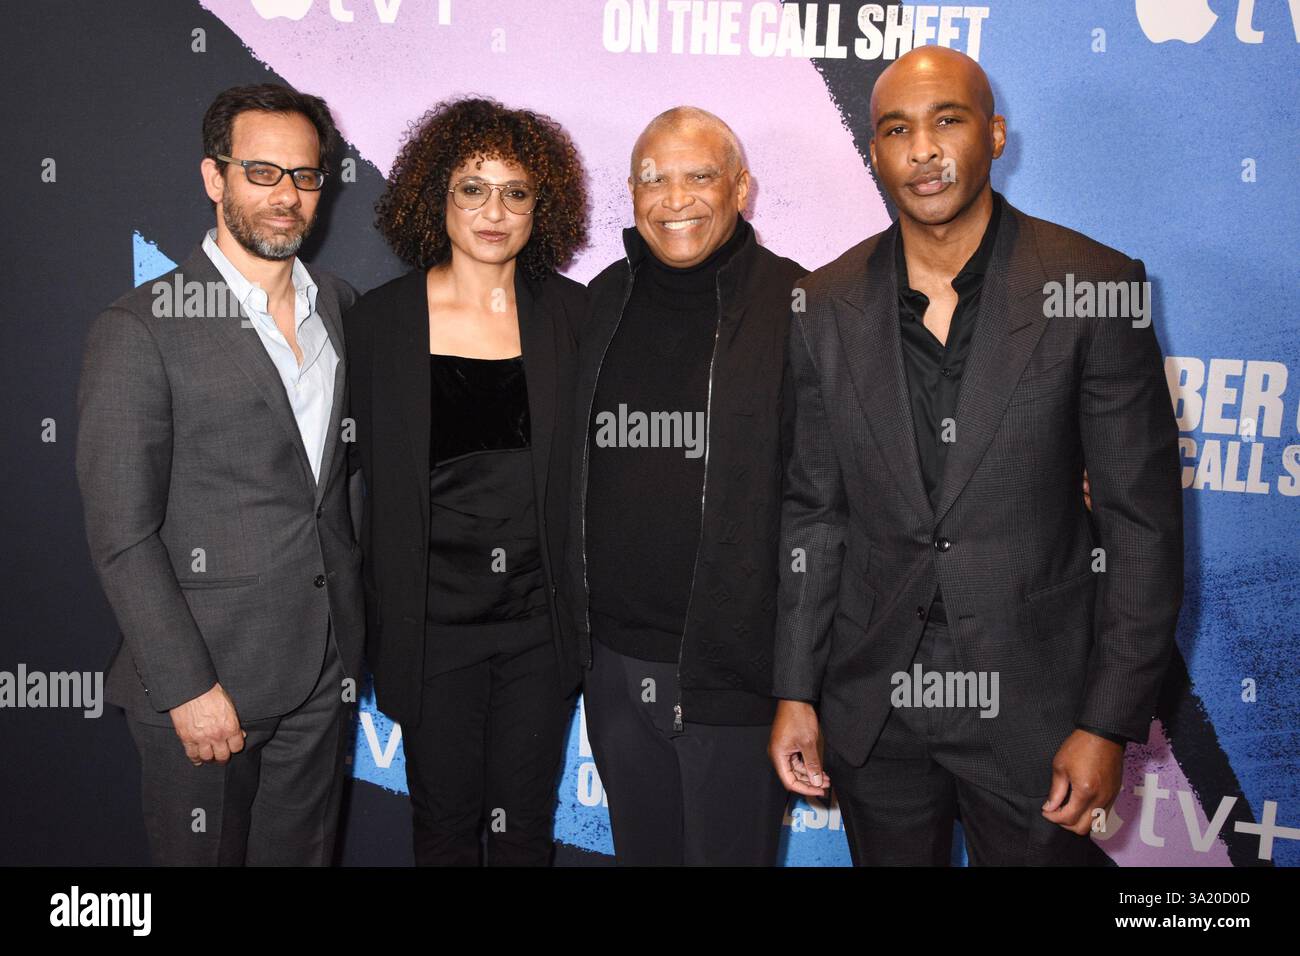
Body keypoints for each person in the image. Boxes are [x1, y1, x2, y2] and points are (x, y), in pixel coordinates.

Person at [770, 46, 1183, 865]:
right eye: (896, 129)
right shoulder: (820, 304)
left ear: (994, 135)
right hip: (874, 709)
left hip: (1036, 714)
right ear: (875, 152)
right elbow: (815, 512)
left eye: (947, 121)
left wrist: (1105, 722)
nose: (922, 149)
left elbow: (1143, 528)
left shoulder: (1094, 287)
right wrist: (794, 688)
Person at [76, 83, 364, 865]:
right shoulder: (140, 328)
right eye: (261, 172)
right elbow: (121, 533)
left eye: (304, 177)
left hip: (320, 672)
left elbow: (340, 490)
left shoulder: (341, 308)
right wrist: (186, 686)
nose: (286, 196)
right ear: (215, 178)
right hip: (206, 686)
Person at [343, 97, 589, 865]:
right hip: (430, 626)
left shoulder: (573, 316)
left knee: (523, 832)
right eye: (472, 189)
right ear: (434, 196)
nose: (494, 211)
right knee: (444, 830)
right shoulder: (379, 323)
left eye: (516, 192)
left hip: (538, 631)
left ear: (539, 207)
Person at [565, 107, 806, 865]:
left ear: (742, 188)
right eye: (653, 178)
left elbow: (838, 492)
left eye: (700, 175)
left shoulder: (802, 304)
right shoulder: (596, 301)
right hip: (612, 667)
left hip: (736, 675)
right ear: (630, 193)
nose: (675, 199)